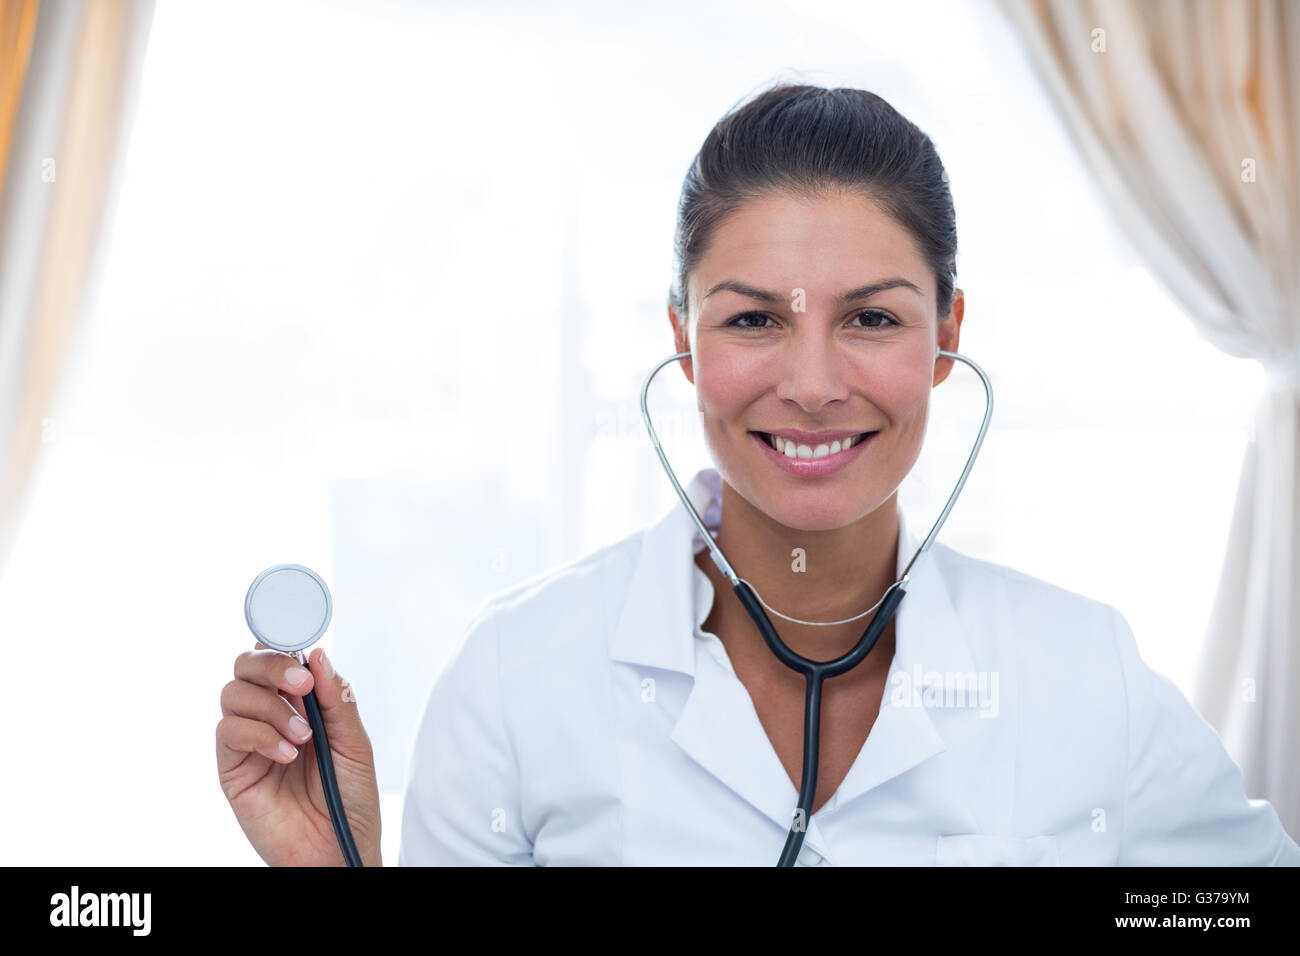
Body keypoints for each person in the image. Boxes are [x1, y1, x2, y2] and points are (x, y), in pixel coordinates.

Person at [215, 83, 1300, 866]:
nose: (814, 382)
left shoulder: (1082, 674)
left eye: (871, 316)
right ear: (683, 339)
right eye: (752, 319)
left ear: (945, 331)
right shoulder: (513, 677)